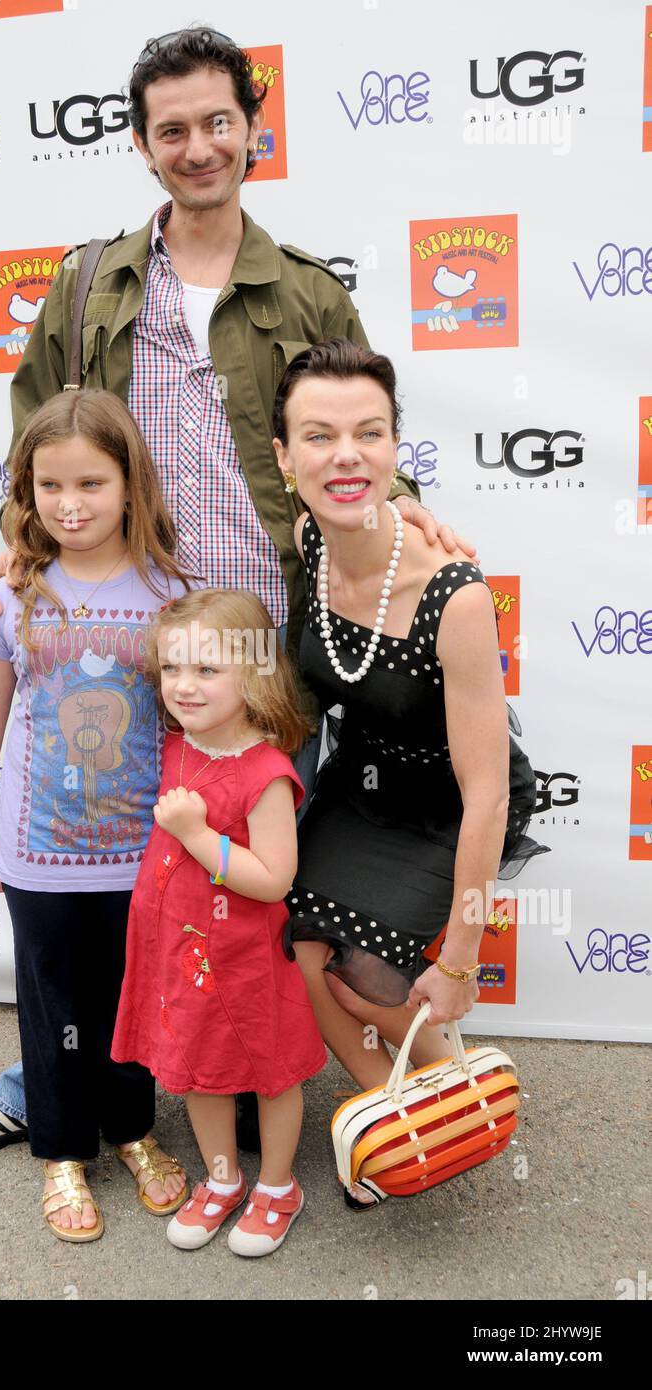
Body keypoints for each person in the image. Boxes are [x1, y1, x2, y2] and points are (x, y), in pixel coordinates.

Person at [0, 23, 470, 1162]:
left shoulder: (307, 293)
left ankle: (260, 1107)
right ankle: (50, 1084)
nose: (197, 146)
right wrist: (14, 544)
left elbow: (355, 432)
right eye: (170, 128)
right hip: (136, 648)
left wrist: (405, 509)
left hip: (273, 651)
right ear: (142, 143)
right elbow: (39, 439)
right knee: (101, 882)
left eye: (216, 121)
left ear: (251, 129)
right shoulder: (86, 286)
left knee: (247, 893)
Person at [271, 340, 547, 1208]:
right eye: (318, 436)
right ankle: (384, 1113)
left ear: (395, 449)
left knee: (367, 970)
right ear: (284, 459)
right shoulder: (308, 538)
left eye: (368, 433)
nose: (344, 455)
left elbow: (488, 793)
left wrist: (462, 954)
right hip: (361, 785)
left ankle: (455, 1099)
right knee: (296, 939)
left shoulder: (455, 594)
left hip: (448, 805)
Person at [0, 388, 194, 1239]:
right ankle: (61, 1153)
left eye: (90, 483)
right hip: (36, 853)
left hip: (143, 854)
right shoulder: (14, 594)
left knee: (132, 1000)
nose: (69, 504)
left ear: (129, 483)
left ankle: (132, 1132)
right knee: (51, 1005)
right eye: (49, 486)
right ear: (27, 490)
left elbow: (197, 719)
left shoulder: (171, 590)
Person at [111, 589, 326, 1256]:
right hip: (177, 953)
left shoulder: (265, 771)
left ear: (253, 673)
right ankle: (223, 1177)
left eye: (206, 670)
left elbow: (272, 878)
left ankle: (278, 1186)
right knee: (193, 1069)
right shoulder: (176, 745)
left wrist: (196, 835)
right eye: (172, 668)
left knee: (270, 1073)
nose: (184, 685)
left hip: (245, 957)